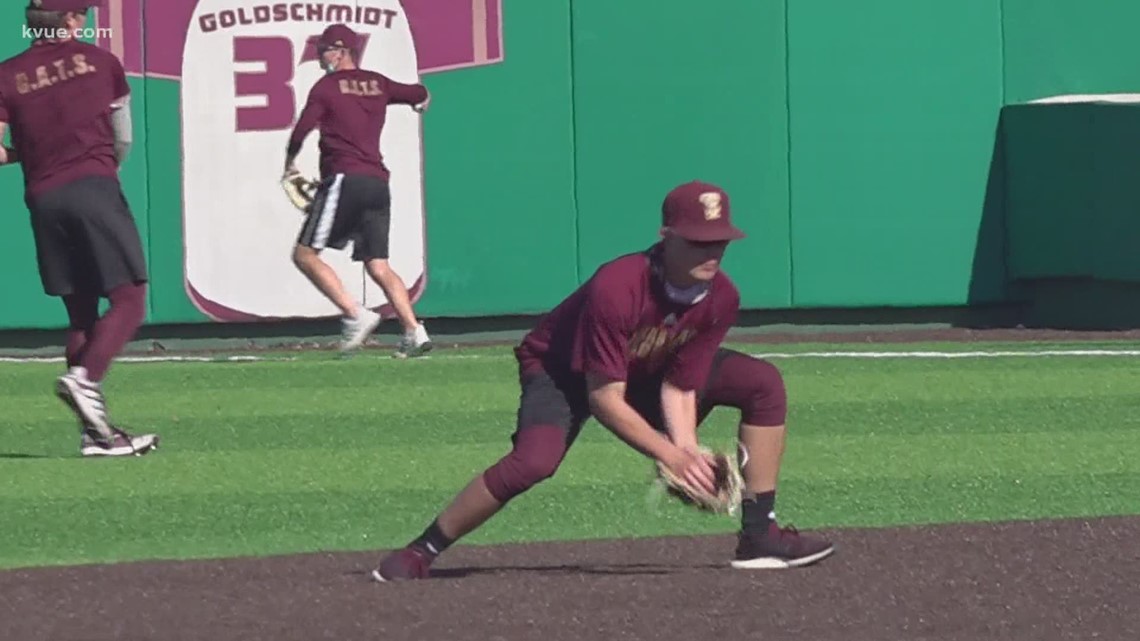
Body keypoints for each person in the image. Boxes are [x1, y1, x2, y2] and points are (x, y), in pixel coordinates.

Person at [372, 180, 834, 581]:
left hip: (646, 369)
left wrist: (687, 447)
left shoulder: (721, 296)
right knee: (535, 461)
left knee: (763, 382)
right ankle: (421, 550)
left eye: (719, 242)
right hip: (562, 371)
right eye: (697, 241)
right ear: (666, 236)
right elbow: (604, 398)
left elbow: (679, 384)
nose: (711, 253)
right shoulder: (619, 285)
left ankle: (759, 535)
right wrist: (669, 455)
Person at [0, 0, 158, 457]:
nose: (86, 20)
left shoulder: (8, 74)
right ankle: (84, 378)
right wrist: (101, 171)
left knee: (81, 312)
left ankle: (96, 437)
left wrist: (31, 154)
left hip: (44, 198)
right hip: (94, 187)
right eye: (81, 13)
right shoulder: (101, 61)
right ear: (68, 21)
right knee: (129, 298)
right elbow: (122, 137)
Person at [284, 23, 432, 357]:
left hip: (345, 177)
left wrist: (289, 162)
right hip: (378, 183)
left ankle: (355, 314)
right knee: (378, 264)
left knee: (305, 254)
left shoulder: (327, 87)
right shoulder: (378, 83)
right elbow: (418, 94)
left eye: (324, 50)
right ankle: (414, 330)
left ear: (341, 51)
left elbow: (303, 129)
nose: (321, 56)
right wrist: (421, 103)